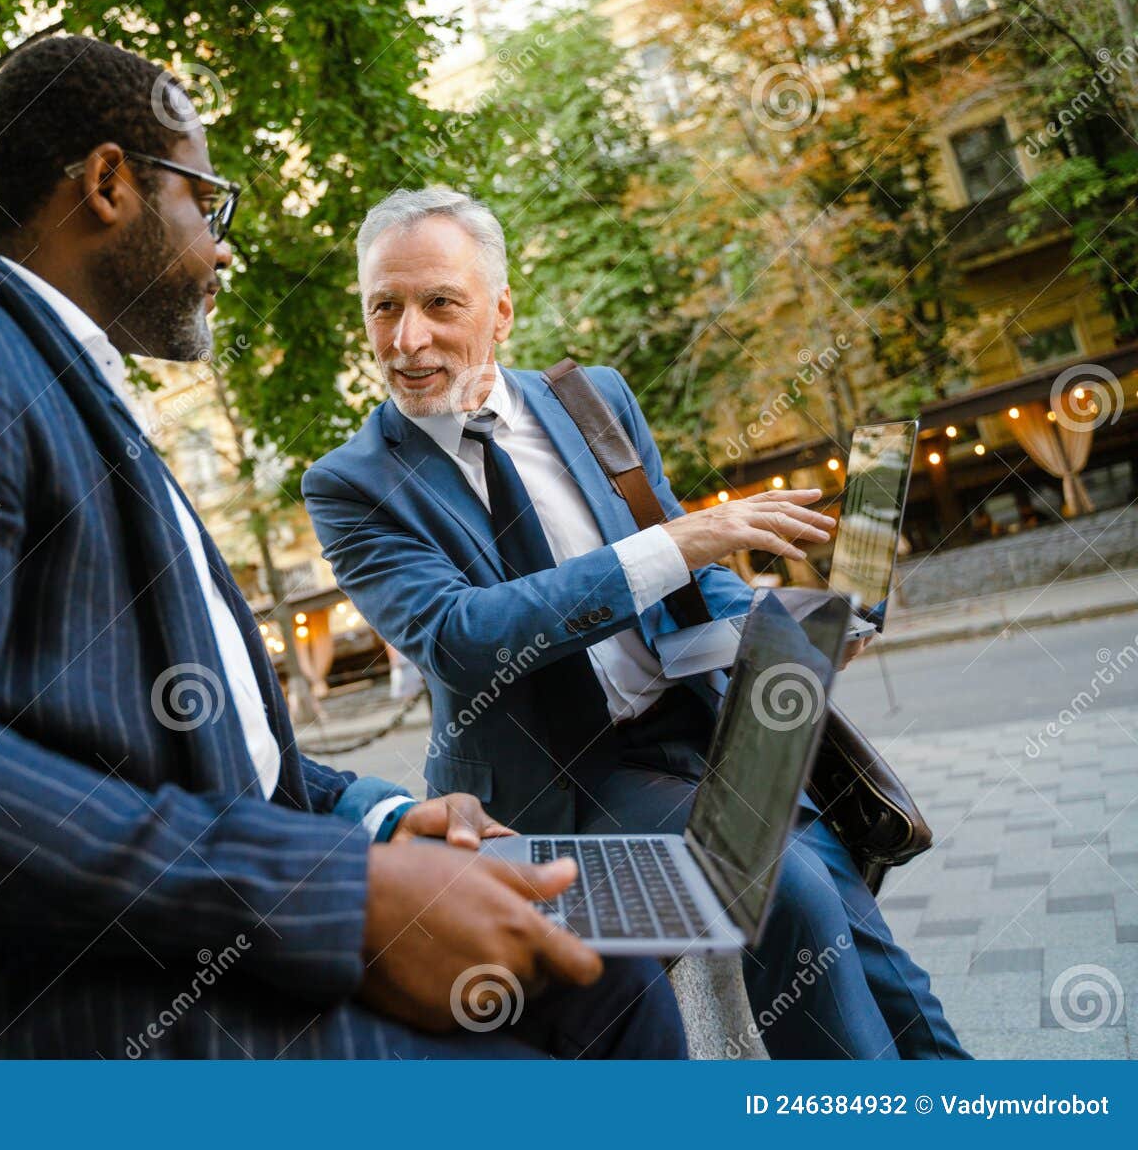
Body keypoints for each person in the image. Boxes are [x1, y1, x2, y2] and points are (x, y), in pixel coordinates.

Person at [0, 38, 683, 1059]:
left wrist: (381, 817)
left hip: (173, 945)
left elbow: (192, 749)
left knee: (603, 972)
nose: (224, 247)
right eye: (205, 202)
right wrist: (336, 894)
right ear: (107, 184)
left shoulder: (71, 394)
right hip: (32, 1015)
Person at [303, 187, 968, 1060]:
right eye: (383, 307)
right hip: (561, 785)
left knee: (871, 946)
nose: (407, 340)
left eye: (439, 304)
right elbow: (461, 638)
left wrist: (788, 624)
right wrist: (676, 543)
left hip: (707, 730)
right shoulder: (349, 484)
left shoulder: (594, 399)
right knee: (790, 888)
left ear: (500, 311)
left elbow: (689, 588)